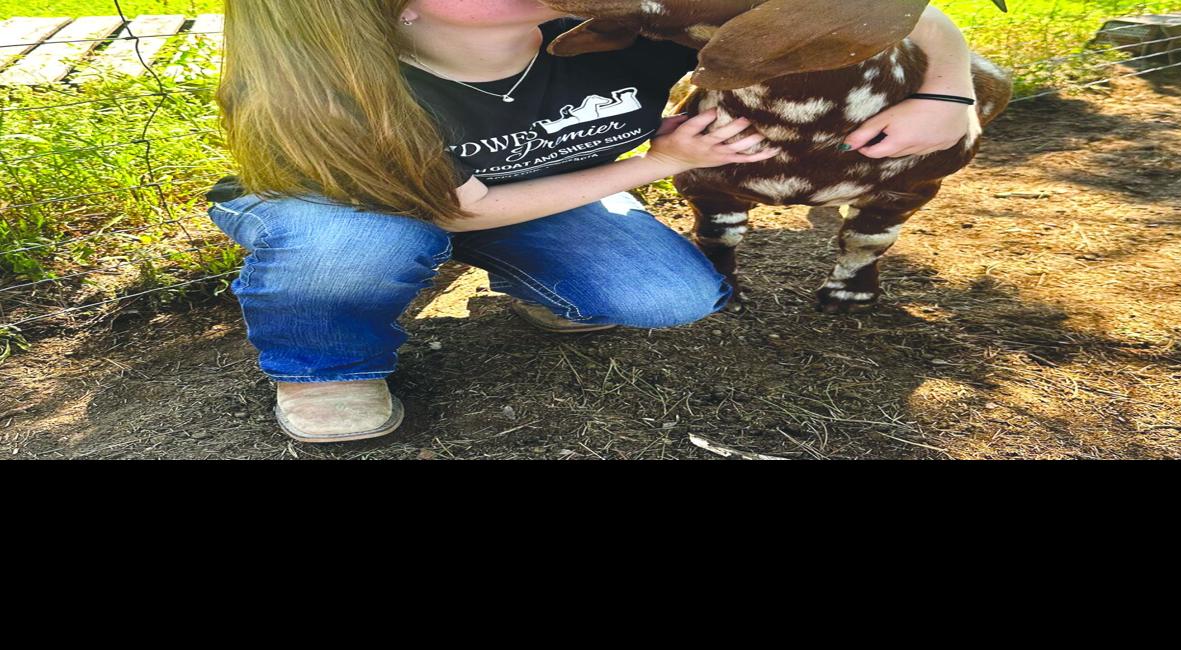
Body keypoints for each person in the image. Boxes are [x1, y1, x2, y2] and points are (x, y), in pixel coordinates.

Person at [206, 0, 980, 443]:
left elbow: (873, 7)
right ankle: (328, 369)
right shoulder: (340, 79)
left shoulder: (622, 22)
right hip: (354, 203)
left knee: (669, 295)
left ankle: (533, 276)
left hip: (532, 195)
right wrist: (658, 162)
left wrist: (950, 93)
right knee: (365, 241)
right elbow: (453, 205)